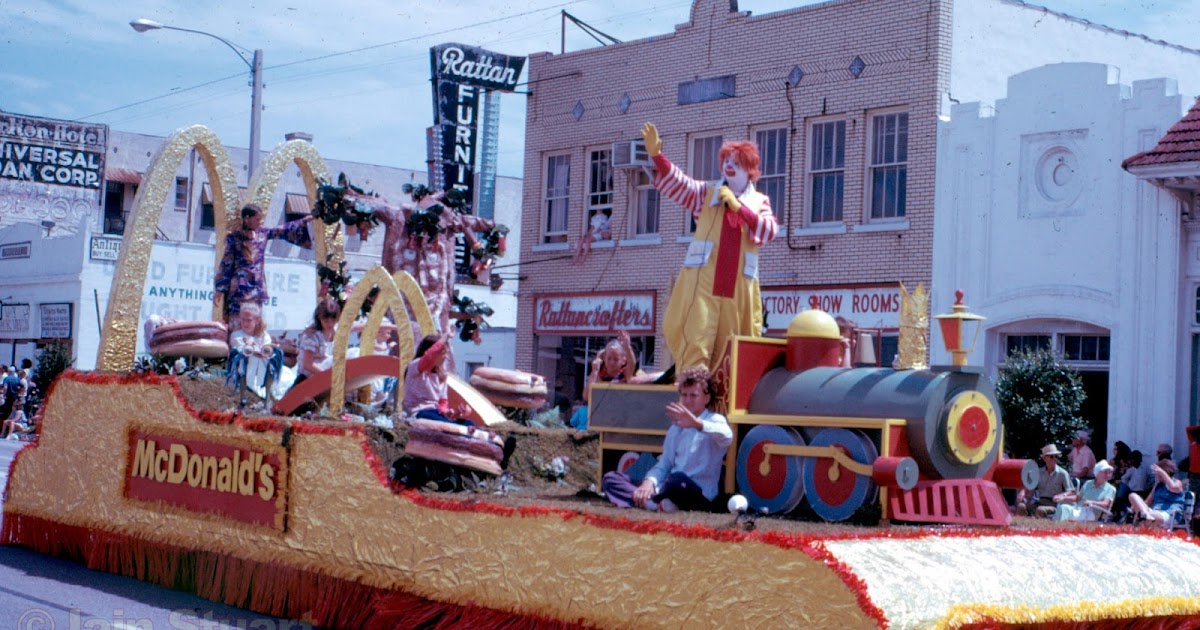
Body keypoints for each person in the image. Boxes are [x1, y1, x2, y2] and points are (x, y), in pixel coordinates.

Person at [641, 122, 779, 372]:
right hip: (703, 283)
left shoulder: (759, 201)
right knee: (698, 338)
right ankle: (693, 392)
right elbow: (680, 184)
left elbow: (770, 231)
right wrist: (657, 157)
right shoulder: (707, 193)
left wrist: (740, 209)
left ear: (750, 170)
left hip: (738, 289)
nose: (728, 166)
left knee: (733, 347)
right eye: (726, 160)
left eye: (736, 163)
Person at [601, 367, 733, 512]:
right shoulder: (676, 427)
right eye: (684, 395)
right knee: (610, 479)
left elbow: (727, 437)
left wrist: (697, 424)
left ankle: (655, 503)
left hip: (695, 492)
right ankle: (652, 503)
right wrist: (648, 483)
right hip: (668, 487)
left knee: (677, 481)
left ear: (706, 398)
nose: (688, 401)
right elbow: (665, 463)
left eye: (693, 396)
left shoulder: (714, 420)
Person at [214, 204, 314, 323]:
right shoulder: (234, 238)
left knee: (255, 323)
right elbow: (226, 263)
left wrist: (306, 219)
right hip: (239, 290)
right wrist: (220, 288)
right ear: (247, 219)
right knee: (237, 322)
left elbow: (283, 229)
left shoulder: (263, 234)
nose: (260, 222)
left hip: (257, 288)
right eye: (257, 219)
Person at [403, 332, 456, 424]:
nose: (446, 357)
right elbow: (428, 357)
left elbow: (442, 402)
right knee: (445, 425)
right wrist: (445, 337)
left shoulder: (441, 375)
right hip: (419, 412)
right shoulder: (415, 367)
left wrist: (447, 412)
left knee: (468, 424)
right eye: (443, 353)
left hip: (435, 412)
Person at [229, 302, 276, 399]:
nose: (245, 323)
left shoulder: (264, 336)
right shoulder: (236, 335)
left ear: (257, 320)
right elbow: (246, 352)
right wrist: (259, 350)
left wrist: (253, 346)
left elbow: (268, 352)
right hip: (246, 370)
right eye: (243, 320)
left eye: (249, 320)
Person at [1016, 443, 1073, 518]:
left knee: (1040, 510)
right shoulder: (1039, 472)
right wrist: (1023, 492)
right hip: (1040, 502)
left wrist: (1062, 495)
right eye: (1051, 456)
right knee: (1021, 506)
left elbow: (1071, 491)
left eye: (1056, 456)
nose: (1055, 459)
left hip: (1054, 504)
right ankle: (1022, 527)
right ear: (1044, 458)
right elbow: (1030, 487)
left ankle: (1039, 528)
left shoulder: (1062, 473)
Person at [294, 297, 341, 387]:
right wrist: (329, 377)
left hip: (327, 372)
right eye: (326, 321)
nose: (330, 324)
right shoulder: (311, 336)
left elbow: (354, 326)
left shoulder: (336, 329)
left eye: (333, 320)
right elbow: (307, 364)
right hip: (309, 376)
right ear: (319, 318)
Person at [1128, 459, 1187, 528]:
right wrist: (1135, 507)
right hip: (1154, 513)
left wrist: (1162, 472)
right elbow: (1147, 502)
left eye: (1159, 474)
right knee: (1133, 496)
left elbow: (1173, 488)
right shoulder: (1158, 485)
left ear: (1166, 473)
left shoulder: (1177, 482)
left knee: (1141, 517)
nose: (1157, 476)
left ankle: (1145, 517)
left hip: (1170, 514)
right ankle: (1146, 516)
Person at [1112, 449, 1153, 523]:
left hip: (1141, 491)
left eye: (1136, 459)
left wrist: (1147, 485)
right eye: (1132, 459)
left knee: (1138, 505)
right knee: (1122, 502)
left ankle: (1138, 519)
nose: (1134, 461)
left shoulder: (1145, 468)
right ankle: (1124, 516)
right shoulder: (1131, 469)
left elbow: (1151, 477)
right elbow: (1124, 478)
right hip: (1131, 490)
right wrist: (1128, 484)